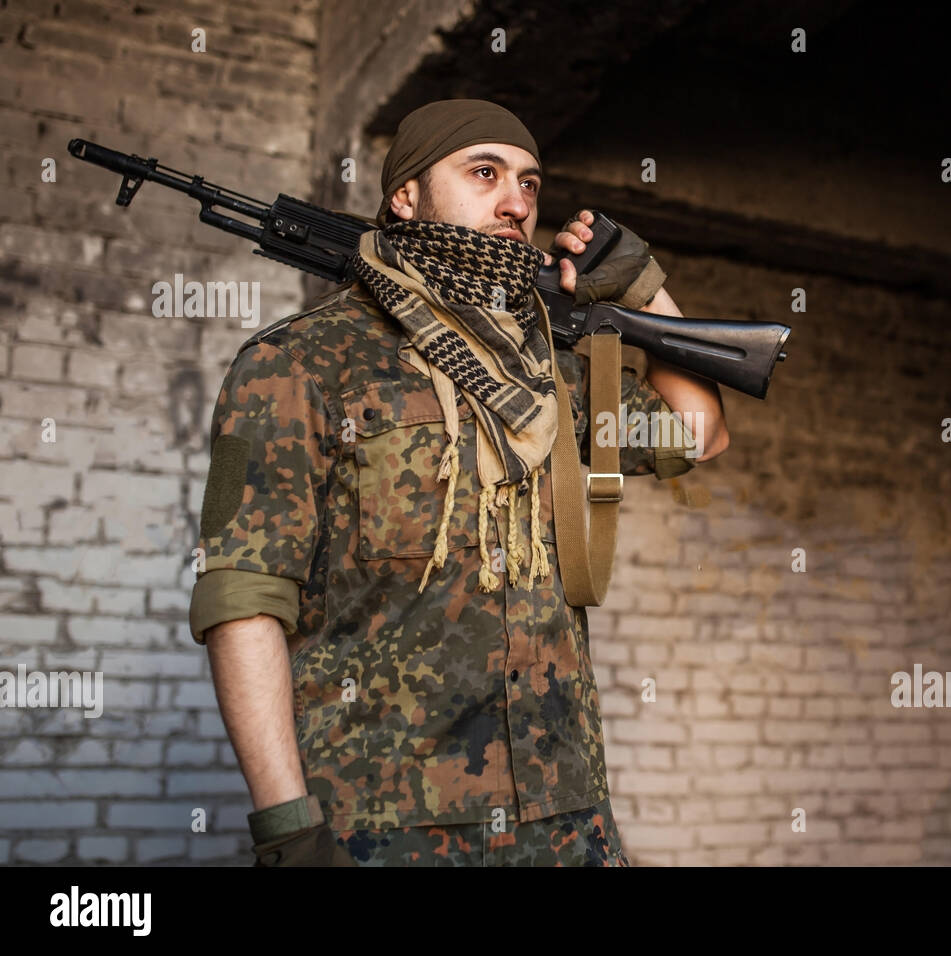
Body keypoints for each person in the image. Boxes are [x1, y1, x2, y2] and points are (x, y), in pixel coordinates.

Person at [188, 99, 729, 866]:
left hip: (567, 819)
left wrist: (642, 290)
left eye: (530, 184)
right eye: (485, 173)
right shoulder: (292, 364)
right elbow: (240, 600)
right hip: (383, 824)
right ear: (405, 196)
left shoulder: (556, 378)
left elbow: (699, 435)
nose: (516, 202)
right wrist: (288, 830)